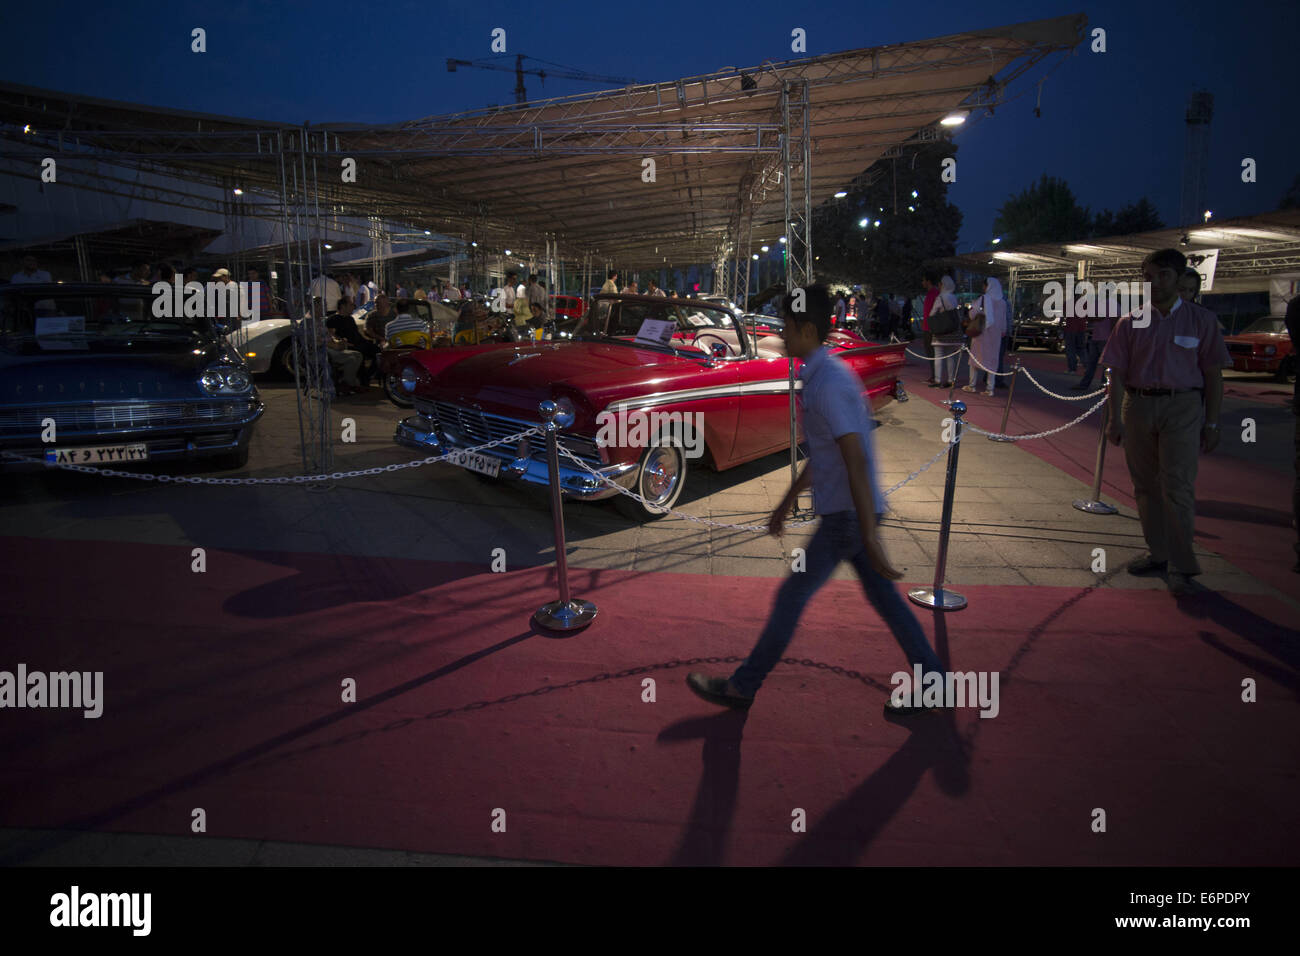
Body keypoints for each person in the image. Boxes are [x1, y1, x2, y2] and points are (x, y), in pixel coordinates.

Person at [685, 285, 947, 716]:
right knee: (885, 602)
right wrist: (785, 503)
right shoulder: (821, 374)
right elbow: (825, 454)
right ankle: (935, 684)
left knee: (792, 598)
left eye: (786, 327)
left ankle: (743, 687)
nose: (780, 334)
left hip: (847, 516)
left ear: (806, 328)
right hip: (851, 512)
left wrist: (868, 532)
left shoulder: (827, 382)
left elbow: (856, 460)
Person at [1103, 248, 1233, 596]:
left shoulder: (1201, 321)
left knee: (1177, 486)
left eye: (1163, 275)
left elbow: (1213, 374)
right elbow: (1115, 373)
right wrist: (1115, 418)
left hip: (1184, 408)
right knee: (1144, 485)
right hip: (1139, 407)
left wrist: (1214, 422)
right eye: (1149, 276)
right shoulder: (1130, 323)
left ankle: (1181, 563)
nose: (1155, 283)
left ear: (1179, 278)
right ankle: (1158, 553)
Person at [963, 277, 1007, 396]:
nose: (983, 288)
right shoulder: (1002, 302)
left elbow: (972, 314)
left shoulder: (984, 299)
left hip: (981, 333)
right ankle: (990, 388)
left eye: (984, 286)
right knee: (992, 361)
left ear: (988, 286)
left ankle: (972, 385)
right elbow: (1004, 322)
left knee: (975, 359)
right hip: (995, 336)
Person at [326, 296, 379, 386]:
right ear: (343, 306)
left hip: (359, 343)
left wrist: (367, 341)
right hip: (348, 345)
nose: (353, 307)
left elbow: (356, 334)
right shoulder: (333, 319)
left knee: (378, 352)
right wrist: (342, 341)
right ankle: (361, 381)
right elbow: (332, 335)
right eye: (351, 305)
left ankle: (368, 376)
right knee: (360, 352)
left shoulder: (350, 319)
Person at [928, 274, 962, 388]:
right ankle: (950, 380)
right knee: (950, 356)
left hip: (941, 331)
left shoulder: (940, 297)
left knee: (938, 355)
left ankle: (938, 380)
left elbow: (932, 313)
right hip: (953, 331)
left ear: (942, 285)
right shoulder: (954, 297)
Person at [920, 271, 939, 383]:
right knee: (930, 352)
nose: (922, 283)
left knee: (932, 352)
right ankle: (934, 375)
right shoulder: (931, 293)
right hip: (927, 327)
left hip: (931, 328)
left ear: (928, 281)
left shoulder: (934, 293)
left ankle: (935, 376)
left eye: (923, 280)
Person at [1063, 308, 1087, 374]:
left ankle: (1072, 369)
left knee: (1070, 349)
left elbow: (1064, 315)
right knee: (1081, 349)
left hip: (1071, 328)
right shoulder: (1084, 303)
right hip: (1081, 328)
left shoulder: (1068, 303)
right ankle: (1086, 367)